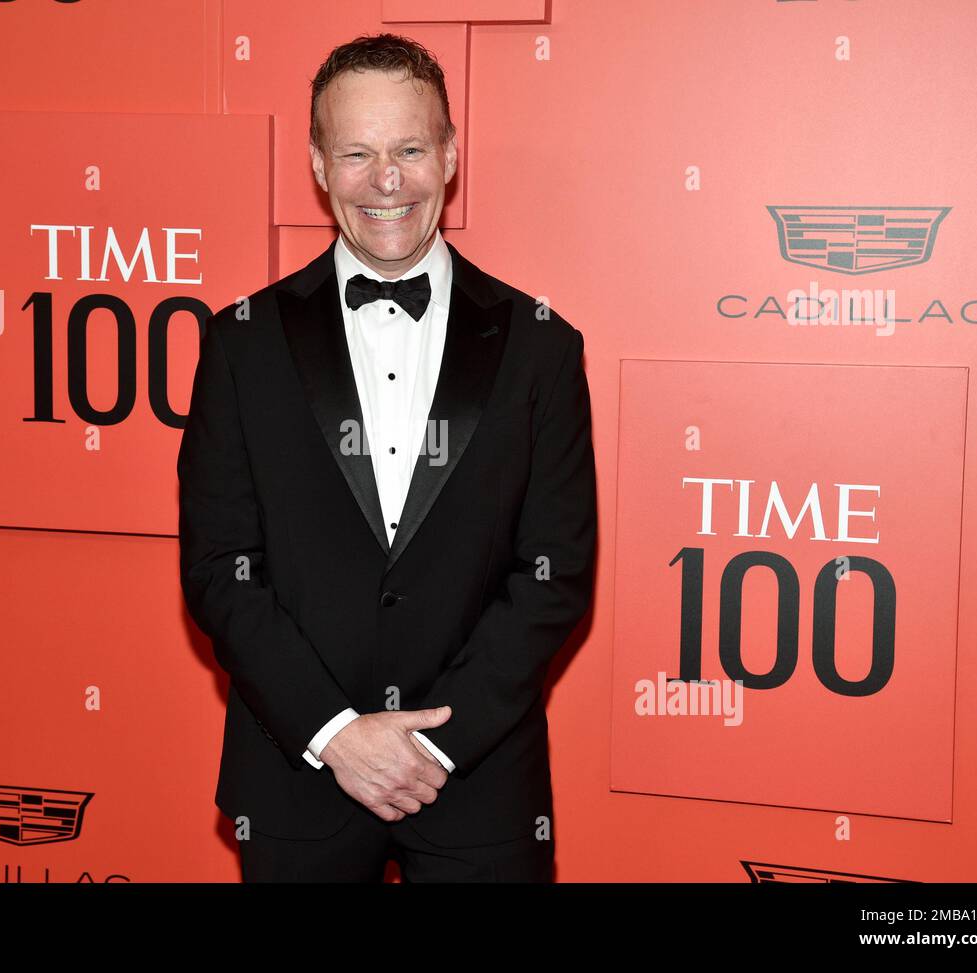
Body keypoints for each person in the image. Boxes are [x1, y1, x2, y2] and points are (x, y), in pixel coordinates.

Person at [178, 32, 596, 882]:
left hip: (478, 782)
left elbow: (552, 576)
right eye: (357, 152)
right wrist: (337, 734)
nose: (388, 179)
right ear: (318, 165)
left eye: (409, 148)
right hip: (297, 776)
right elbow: (221, 569)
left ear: (448, 155)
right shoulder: (239, 345)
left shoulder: (541, 347)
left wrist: (433, 747)